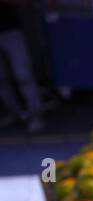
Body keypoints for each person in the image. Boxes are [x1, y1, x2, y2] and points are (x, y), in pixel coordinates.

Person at [0, 1, 44, 132]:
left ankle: (36, 114)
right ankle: (14, 113)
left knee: (23, 75)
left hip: (10, 31)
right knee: (1, 80)